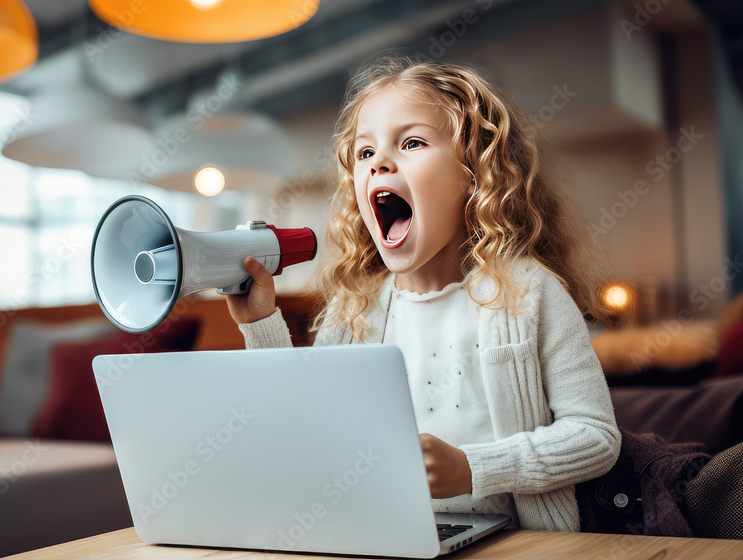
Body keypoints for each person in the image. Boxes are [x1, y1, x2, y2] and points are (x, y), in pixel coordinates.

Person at [225, 57, 622, 532]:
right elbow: (304, 430)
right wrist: (260, 324)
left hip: (518, 542)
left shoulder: (530, 293)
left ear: (473, 173)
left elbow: (596, 437)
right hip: (383, 534)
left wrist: (473, 467)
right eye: (365, 153)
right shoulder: (353, 308)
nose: (380, 163)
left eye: (411, 142)